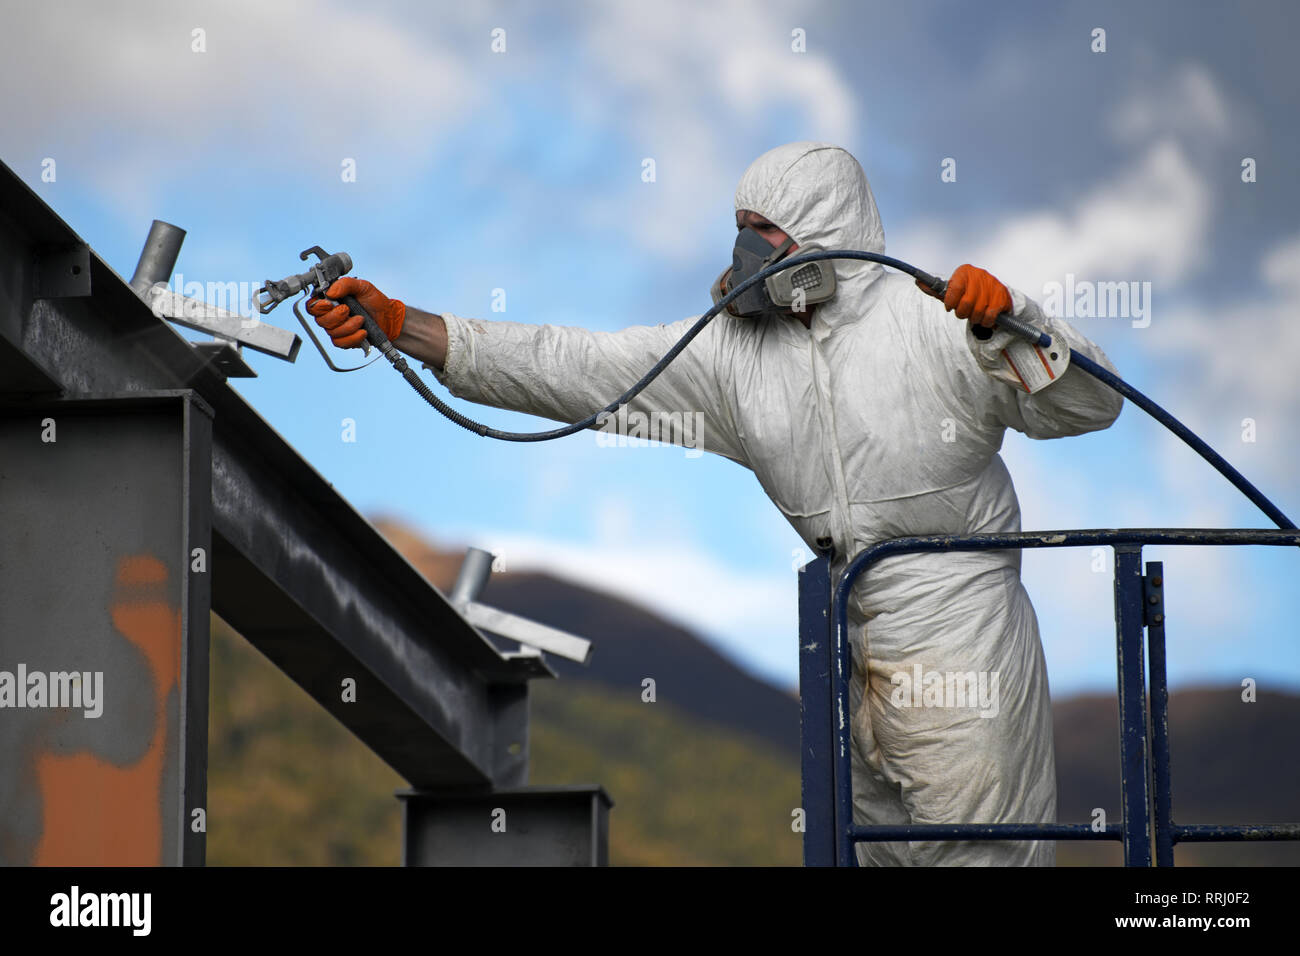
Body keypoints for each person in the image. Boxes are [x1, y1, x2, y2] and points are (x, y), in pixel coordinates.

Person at [308, 142, 1124, 866]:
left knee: (973, 857)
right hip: (847, 638)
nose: (744, 248)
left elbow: (1089, 407)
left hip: (963, 641)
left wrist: (1012, 323)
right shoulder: (734, 358)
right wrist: (404, 325)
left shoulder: (938, 322)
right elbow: (577, 366)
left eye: (764, 229)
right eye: (740, 224)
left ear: (824, 229)